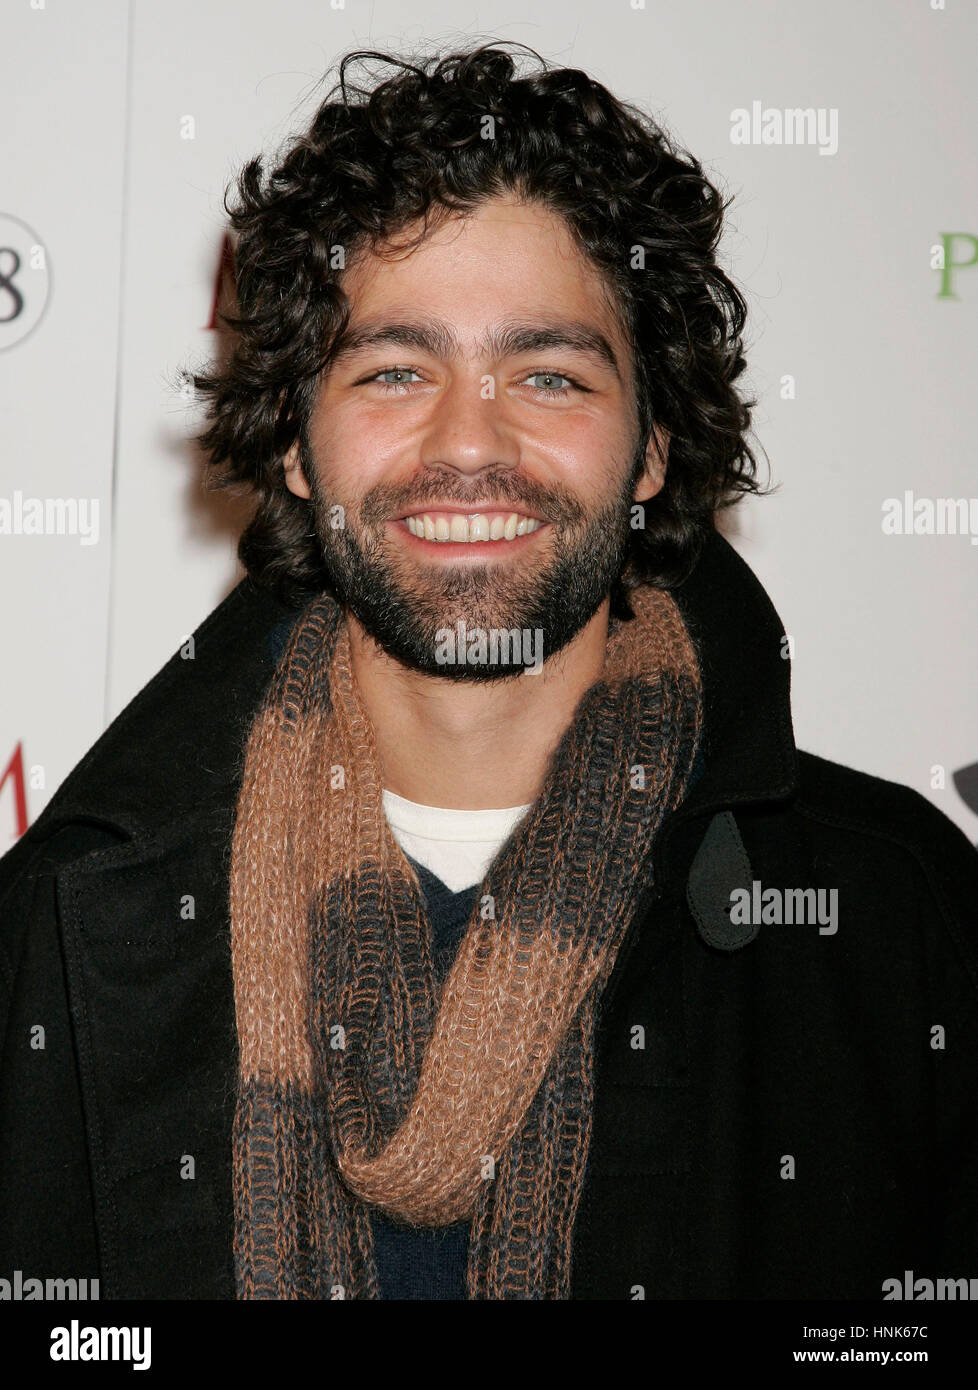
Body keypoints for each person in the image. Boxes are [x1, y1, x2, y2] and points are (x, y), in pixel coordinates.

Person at [1, 42, 976, 1302]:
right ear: (296, 441)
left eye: (549, 375)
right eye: (395, 371)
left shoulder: (898, 923)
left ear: (651, 449)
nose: (469, 442)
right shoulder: (60, 926)